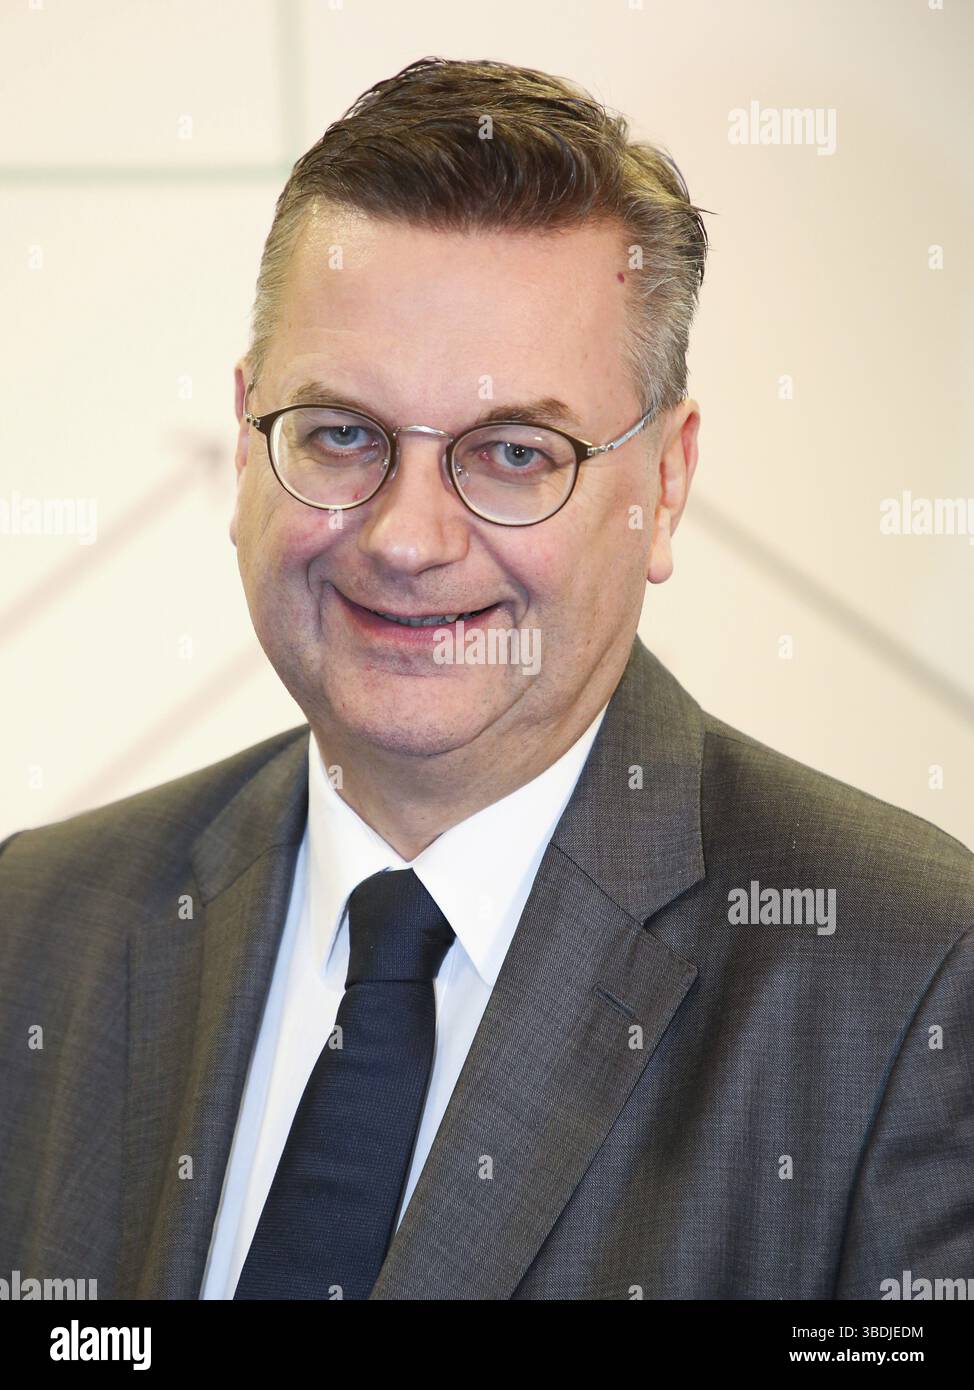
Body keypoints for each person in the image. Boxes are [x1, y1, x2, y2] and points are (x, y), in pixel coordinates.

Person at [1, 56, 971, 1302]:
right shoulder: (39, 924)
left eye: (513, 453)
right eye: (341, 432)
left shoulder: (910, 982)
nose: (407, 538)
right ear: (247, 441)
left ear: (663, 486)